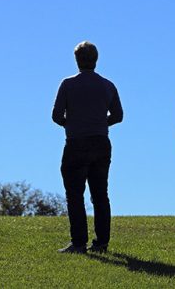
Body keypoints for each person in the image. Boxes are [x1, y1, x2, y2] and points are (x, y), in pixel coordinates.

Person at [52, 41, 123, 254]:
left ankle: (79, 242)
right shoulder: (108, 85)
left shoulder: (68, 84)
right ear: (96, 59)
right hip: (101, 142)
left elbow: (56, 116)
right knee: (100, 194)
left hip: (76, 143)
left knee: (75, 194)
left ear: (77, 60)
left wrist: (72, 124)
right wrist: (101, 123)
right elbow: (118, 116)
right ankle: (101, 242)